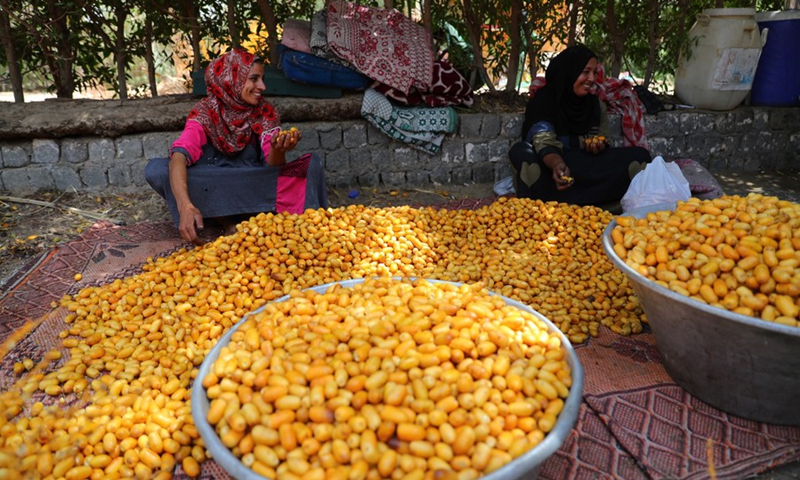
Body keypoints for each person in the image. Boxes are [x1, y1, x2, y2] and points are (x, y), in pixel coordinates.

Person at [145, 48, 328, 245]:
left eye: (262, 79)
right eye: (254, 79)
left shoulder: (264, 112)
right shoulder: (206, 112)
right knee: (158, 170)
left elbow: (273, 165)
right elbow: (179, 155)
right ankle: (229, 218)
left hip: (252, 180)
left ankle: (231, 217)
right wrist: (185, 206)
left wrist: (278, 149)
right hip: (215, 182)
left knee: (311, 165)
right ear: (232, 79)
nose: (262, 86)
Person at [509, 45, 651, 207]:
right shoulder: (544, 100)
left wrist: (598, 146)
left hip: (584, 165)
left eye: (594, 73)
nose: (592, 78)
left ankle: (566, 199)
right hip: (553, 164)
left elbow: (603, 140)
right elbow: (543, 140)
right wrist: (557, 165)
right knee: (522, 153)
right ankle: (594, 199)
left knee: (640, 156)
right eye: (585, 72)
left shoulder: (596, 105)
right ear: (569, 72)